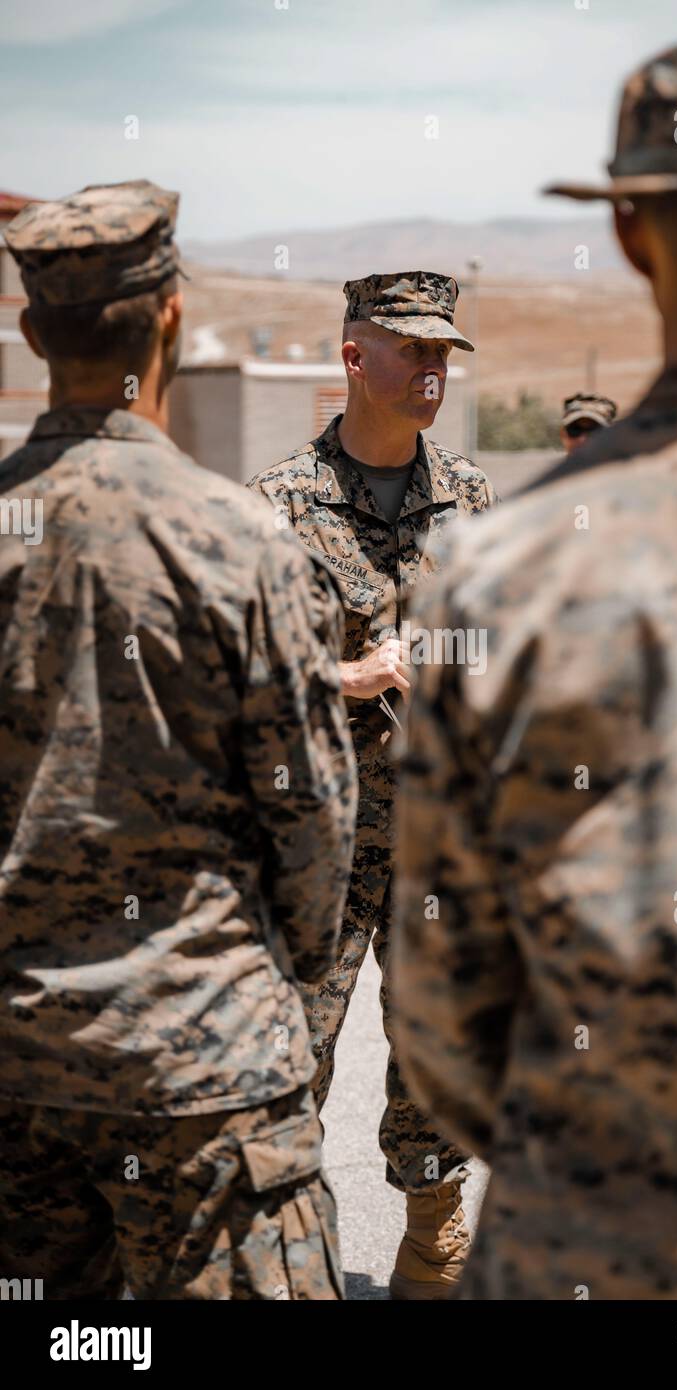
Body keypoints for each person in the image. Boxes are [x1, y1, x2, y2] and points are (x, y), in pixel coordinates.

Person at [392, 30, 677, 1300]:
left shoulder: (501, 567)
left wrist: (592, 1166)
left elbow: (438, 992)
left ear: (630, 235)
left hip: (577, 1259)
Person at [0, 180, 357, 1300]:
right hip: (204, 1075)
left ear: (29, 332)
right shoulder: (237, 536)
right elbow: (311, 815)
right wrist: (280, 976)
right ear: (170, 321)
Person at [248, 270, 496, 1299]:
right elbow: (232, 677)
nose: (434, 367)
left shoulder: (471, 496)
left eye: (444, 352)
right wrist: (346, 676)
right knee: (289, 1066)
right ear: (355, 357)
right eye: (414, 349)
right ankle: (296, 1267)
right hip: (316, 845)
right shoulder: (276, 506)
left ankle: (431, 1251)